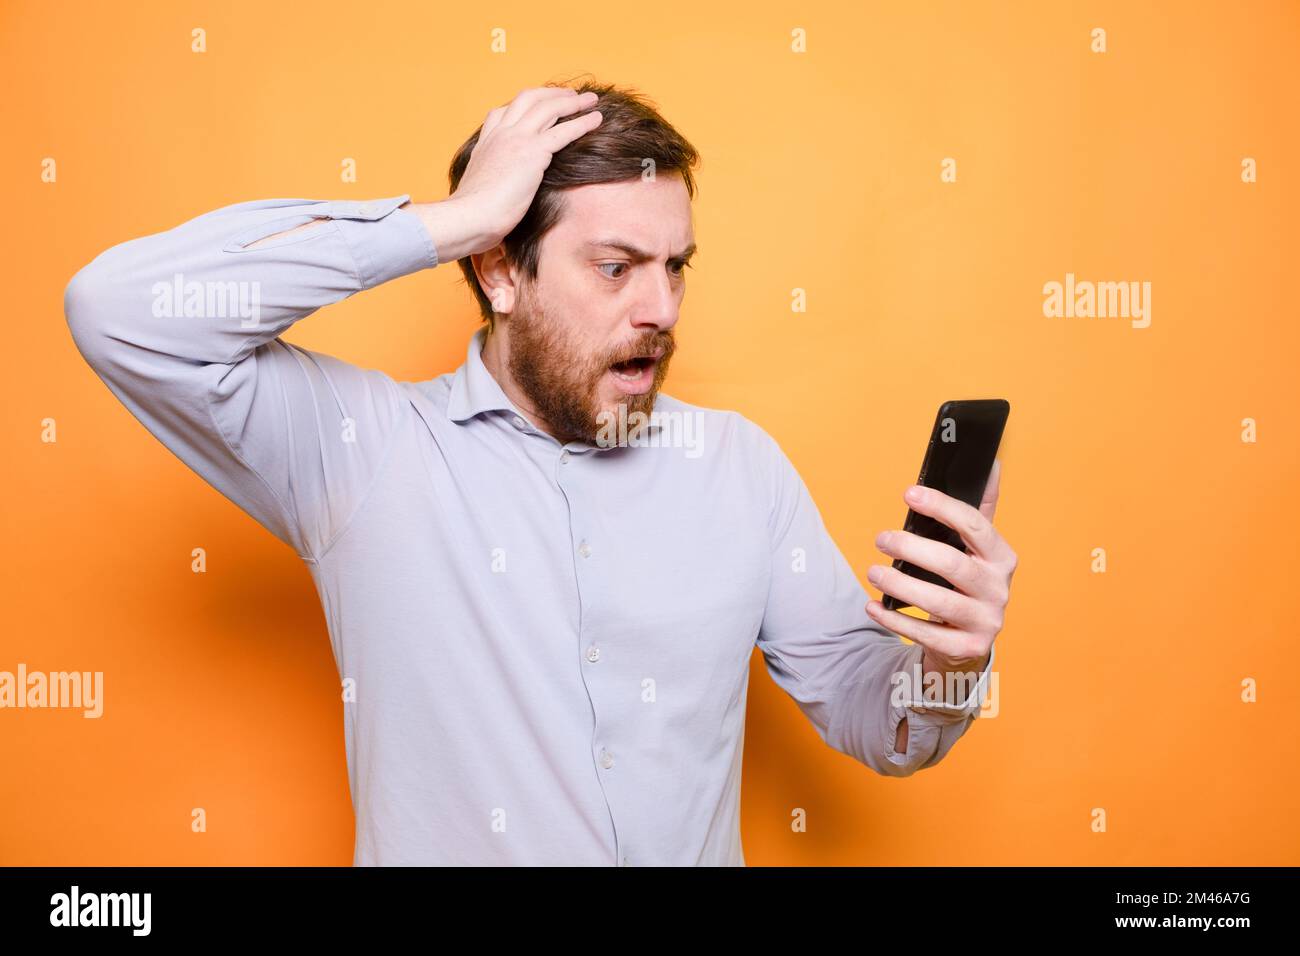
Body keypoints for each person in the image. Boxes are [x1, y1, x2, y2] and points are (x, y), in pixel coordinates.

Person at [63, 80, 1017, 866]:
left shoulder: (739, 467)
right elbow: (120, 309)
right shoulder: (359, 448)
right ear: (500, 273)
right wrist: (451, 220)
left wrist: (946, 666)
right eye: (616, 267)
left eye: (676, 266)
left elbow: (874, 716)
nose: (661, 308)